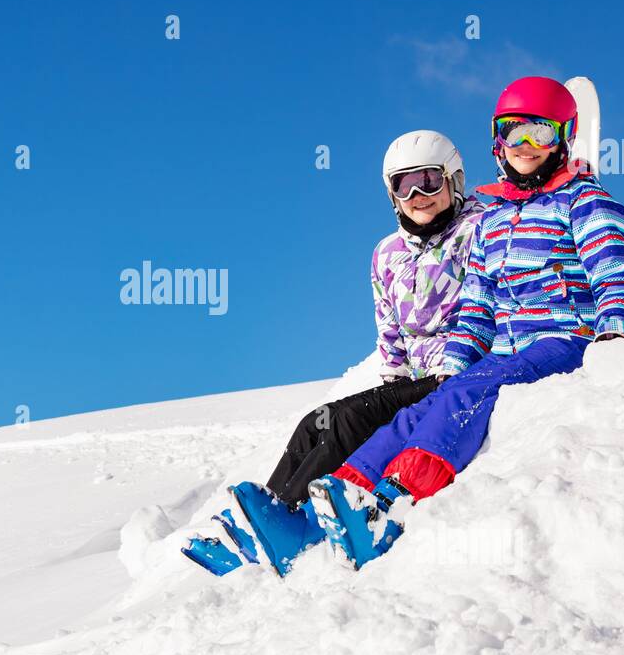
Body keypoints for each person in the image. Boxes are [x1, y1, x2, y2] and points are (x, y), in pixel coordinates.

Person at [306, 77, 624, 569]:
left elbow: (614, 273)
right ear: (497, 141)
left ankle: (397, 498)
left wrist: (613, 332)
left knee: (471, 391)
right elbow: (477, 309)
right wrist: (450, 367)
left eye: (540, 134)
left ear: (565, 138)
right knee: (427, 405)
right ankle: (345, 491)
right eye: (514, 133)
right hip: (508, 350)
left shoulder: (585, 202)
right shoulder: (494, 219)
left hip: (566, 339)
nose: (525, 147)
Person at [182, 130, 483, 576]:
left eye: (428, 181)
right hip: (412, 381)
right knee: (313, 423)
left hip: (458, 368)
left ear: (454, 181)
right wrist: (394, 385)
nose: (418, 195)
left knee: (344, 422)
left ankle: (288, 526)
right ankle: (265, 521)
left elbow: (524, 218)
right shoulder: (387, 255)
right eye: (404, 185)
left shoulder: (481, 229)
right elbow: (391, 332)